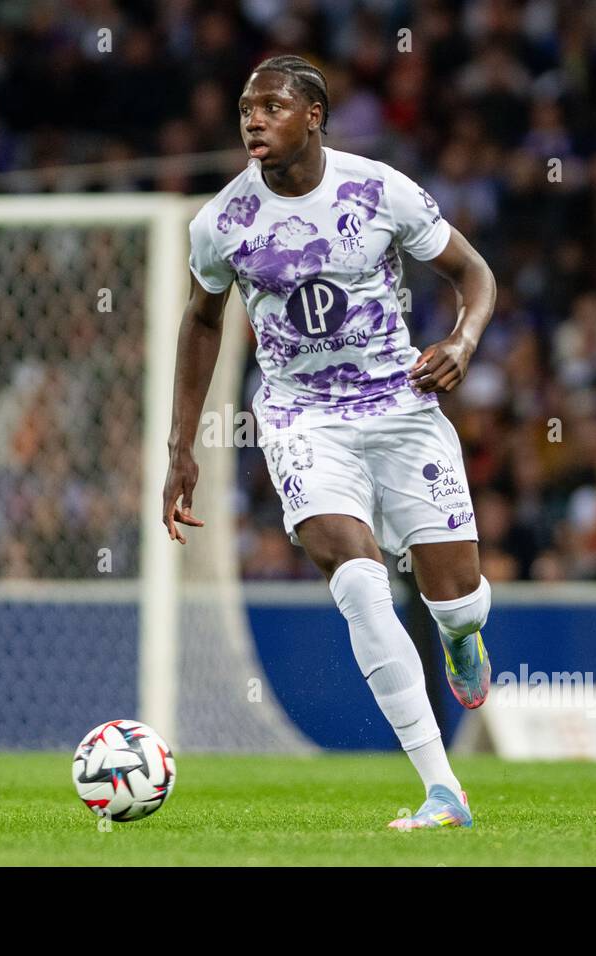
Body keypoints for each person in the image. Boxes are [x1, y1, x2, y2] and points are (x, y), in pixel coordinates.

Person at [162, 55, 497, 829]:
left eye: (271, 106)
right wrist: (183, 446)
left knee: (457, 599)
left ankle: (460, 634)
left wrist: (465, 340)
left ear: (313, 115)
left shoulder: (378, 189)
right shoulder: (222, 223)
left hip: (401, 405)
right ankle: (443, 787)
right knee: (355, 578)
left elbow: (473, 273)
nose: (253, 120)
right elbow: (202, 320)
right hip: (301, 416)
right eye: (246, 108)